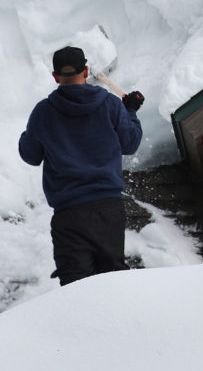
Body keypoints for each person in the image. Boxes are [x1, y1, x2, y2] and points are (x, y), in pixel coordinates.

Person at [19, 46, 145, 286]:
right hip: (108, 210)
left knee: (75, 287)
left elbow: (30, 155)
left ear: (55, 76)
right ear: (86, 71)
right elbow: (130, 143)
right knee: (112, 281)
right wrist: (130, 111)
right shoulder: (111, 105)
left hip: (69, 214)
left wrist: (32, 132)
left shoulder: (43, 112)